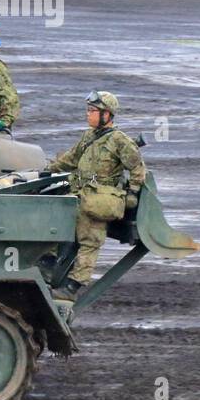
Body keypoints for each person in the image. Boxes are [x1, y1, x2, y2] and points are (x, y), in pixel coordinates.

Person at [46, 91, 146, 302]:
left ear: (107, 115)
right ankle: (48, 270)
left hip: (99, 200)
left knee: (89, 242)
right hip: (79, 195)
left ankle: (72, 287)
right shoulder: (88, 136)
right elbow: (70, 159)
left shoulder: (119, 140)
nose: (88, 115)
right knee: (59, 232)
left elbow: (137, 168)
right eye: (89, 110)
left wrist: (133, 194)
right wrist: (46, 170)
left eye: (93, 111)